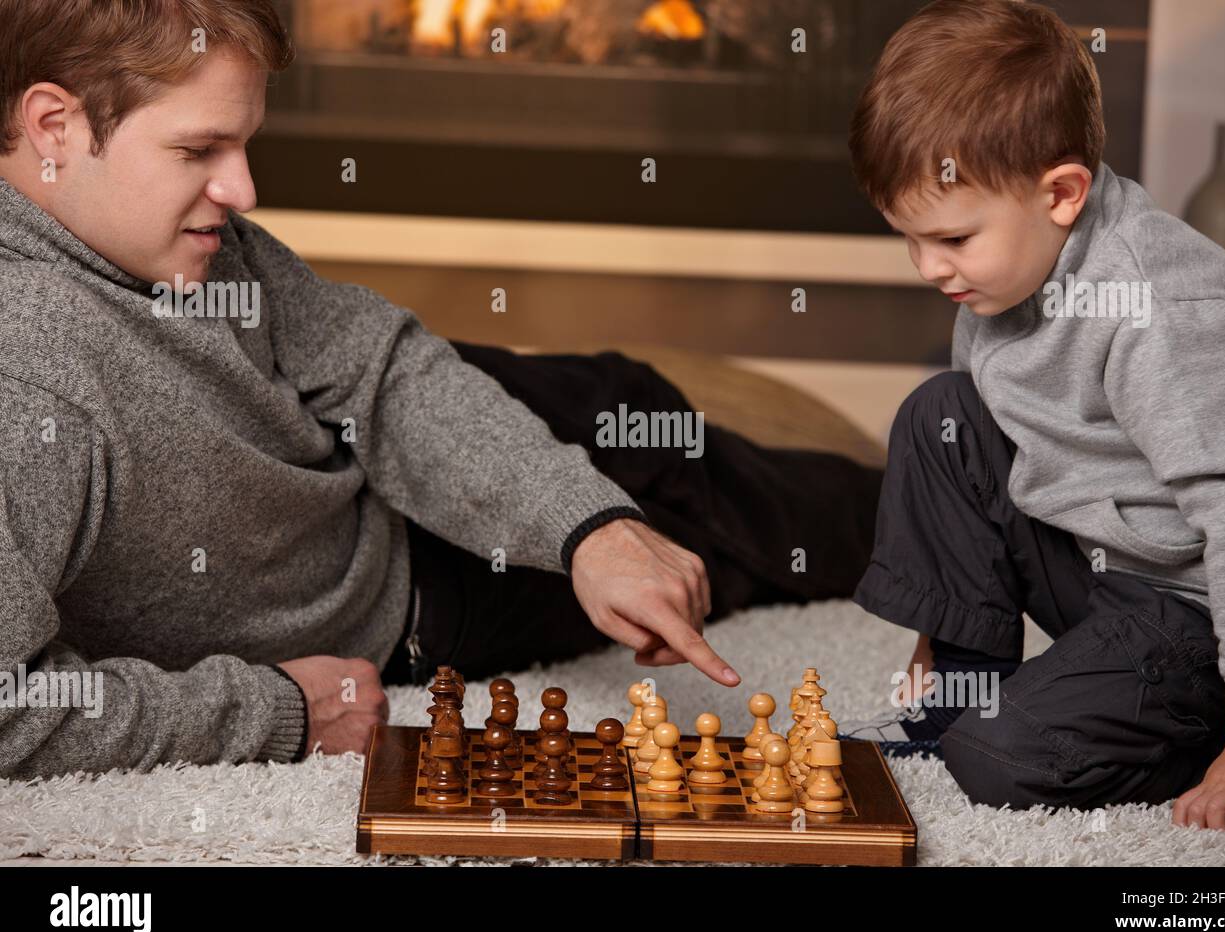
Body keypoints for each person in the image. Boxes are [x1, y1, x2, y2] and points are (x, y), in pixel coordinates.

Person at [0, 0, 879, 781]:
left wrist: (584, 523)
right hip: (418, 601)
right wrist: (278, 713)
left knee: (633, 406)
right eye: (198, 149)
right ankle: (950, 529)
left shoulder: (159, 234)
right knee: (707, 548)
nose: (243, 189)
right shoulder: (25, 386)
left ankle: (947, 503)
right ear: (54, 126)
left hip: (375, 469)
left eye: (241, 144)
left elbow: (377, 370)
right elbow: (12, 711)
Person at [840, 0, 1225, 831]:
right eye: (908, 240)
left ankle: (1206, 729)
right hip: (1098, 565)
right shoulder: (998, 276)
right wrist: (946, 639)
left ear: (1061, 193)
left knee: (999, 757)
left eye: (950, 239)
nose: (927, 268)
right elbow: (977, 473)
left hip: (1196, 606)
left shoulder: (1164, 309)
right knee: (941, 412)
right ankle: (970, 689)